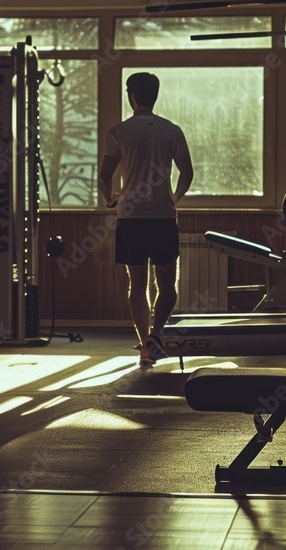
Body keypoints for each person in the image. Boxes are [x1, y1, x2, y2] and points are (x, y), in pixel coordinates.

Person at [98, 73, 194, 366]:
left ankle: (144, 345)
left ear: (132, 96)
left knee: (137, 285)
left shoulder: (118, 132)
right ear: (155, 95)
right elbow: (187, 173)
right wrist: (172, 199)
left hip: (131, 218)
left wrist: (110, 198)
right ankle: (157, 334)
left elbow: (105, 175)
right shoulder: (172, 130)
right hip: (163, 217)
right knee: (167, 285)